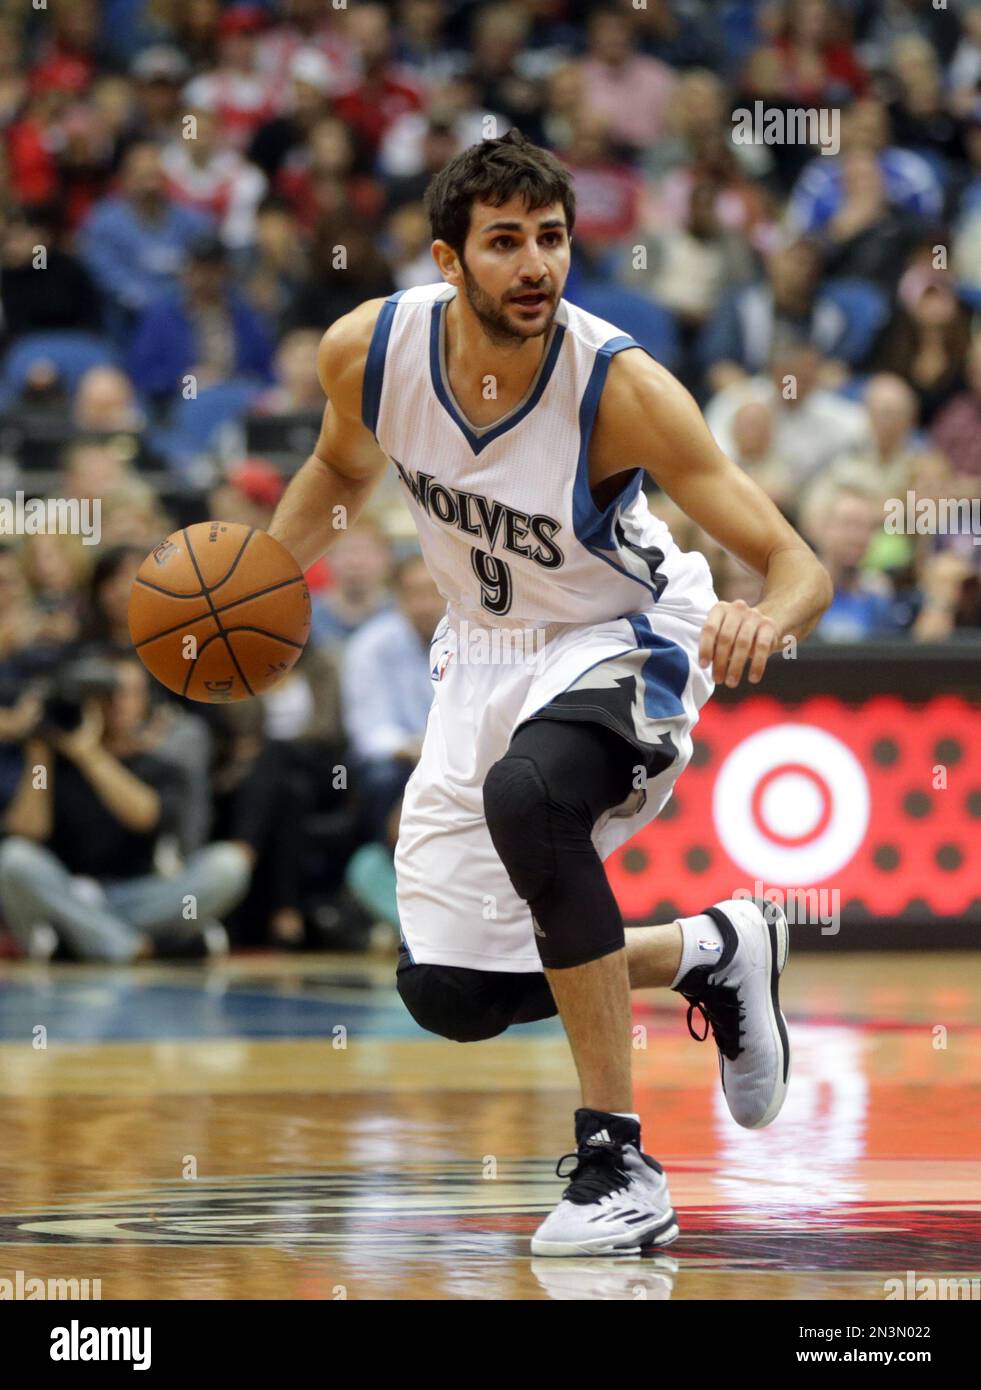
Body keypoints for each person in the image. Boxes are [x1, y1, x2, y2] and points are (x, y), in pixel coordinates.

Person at [268, 130, 831, 1257]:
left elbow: (798, 560)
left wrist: (768, 616)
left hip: (623, 634)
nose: (537, 264)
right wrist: (267, 583)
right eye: (507, 242)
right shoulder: (367, 354)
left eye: (554, 239)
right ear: (448, 258)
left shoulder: (621, 388)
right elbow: (340, 468)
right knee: (452, 995)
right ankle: (714, 947)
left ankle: (619, 1159)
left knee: (533, 795)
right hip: (480, 654)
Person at [0, 655, 252, 962]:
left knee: (229, 865)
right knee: (14, 859)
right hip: (70, 890)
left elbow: (145, 817)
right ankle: (135, 947)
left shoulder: (161, 766)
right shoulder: (54, 762)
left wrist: (89, 753)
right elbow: (27, 830)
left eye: (129, 692)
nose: (118, 702)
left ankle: (87, 941)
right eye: (107, 692)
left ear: (145, 701)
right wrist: (39, 749)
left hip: (142, 897)